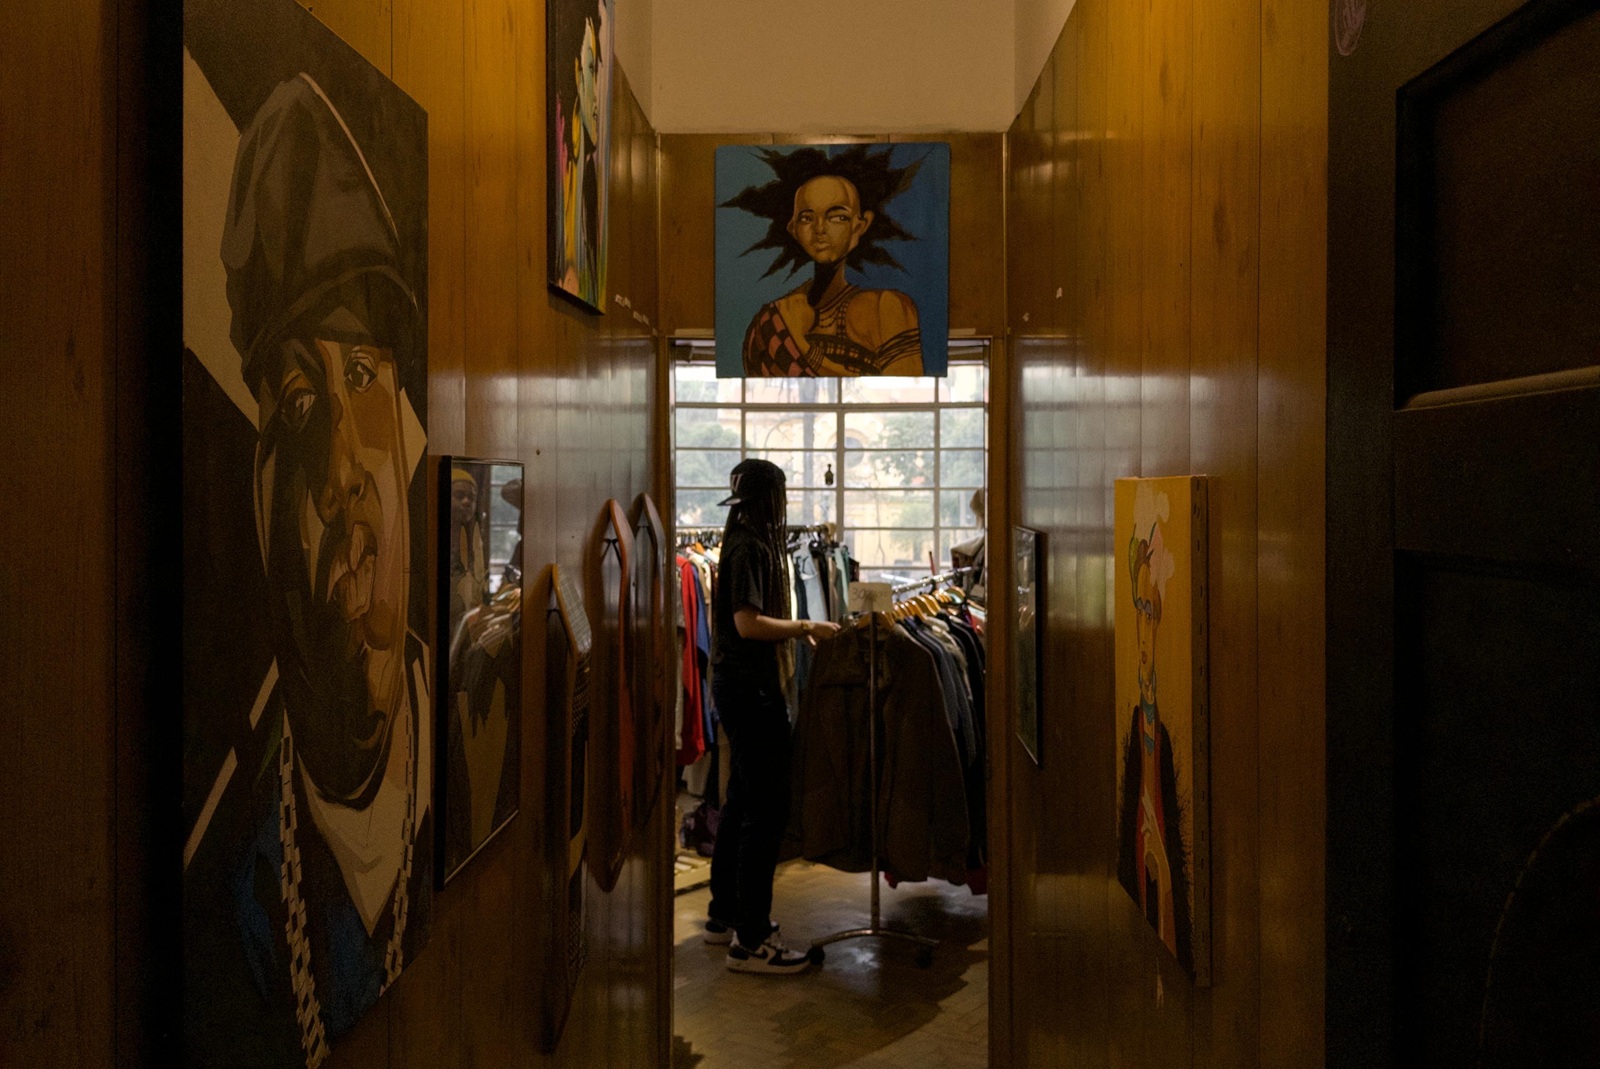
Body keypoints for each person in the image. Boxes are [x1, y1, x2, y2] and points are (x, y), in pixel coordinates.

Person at [185, 67, 433, 1067]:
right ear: (259, 490)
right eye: (296, 399)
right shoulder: (224, 883)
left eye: (364, 377)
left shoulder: (485, 720)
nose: (340, 469)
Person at [704, 459, 840, 973]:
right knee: (764, 810)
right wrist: (805, 623)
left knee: (742, 799)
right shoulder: (749, 547)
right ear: (771, 500)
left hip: (739, 685)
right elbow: (746, 623)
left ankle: (726, 915)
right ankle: (751, 939)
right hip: (749, 689)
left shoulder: (742, 540)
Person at [723, 145, 927, 377]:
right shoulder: (773, 319)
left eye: (837, 217)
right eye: (807, 217)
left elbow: (901, 393)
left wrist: (802, 345)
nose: (820, 229)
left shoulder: (887, 308)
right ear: (794, 229)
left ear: (860, 226)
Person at [1115, 504, 1194, 973]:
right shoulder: (1136, 728)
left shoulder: (1160, 735)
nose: (1144, 626)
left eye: (1151, 611)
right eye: (1138, 609)